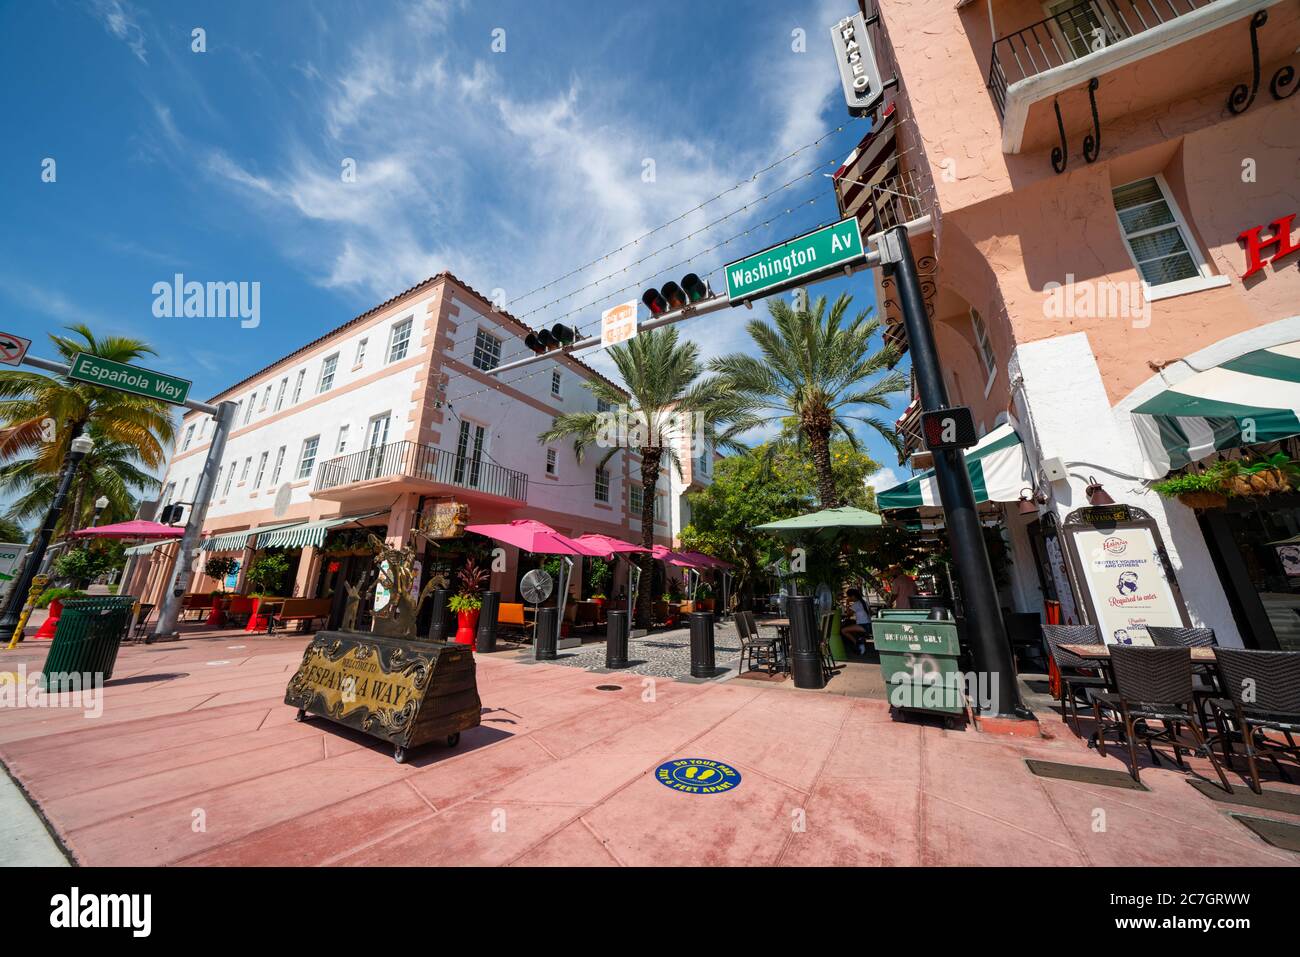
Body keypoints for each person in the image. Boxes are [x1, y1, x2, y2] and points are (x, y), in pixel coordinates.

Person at [841, 587, 871, 655]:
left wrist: (847, 603)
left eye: (849, 597)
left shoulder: (856, 604)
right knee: (850, 625)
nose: (848, 598)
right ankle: (859, 642)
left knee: (844, 630)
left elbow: (848, 614)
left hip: (864, 626)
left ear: (853, 596)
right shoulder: (863, 602)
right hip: (868, 624)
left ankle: (857, 643)